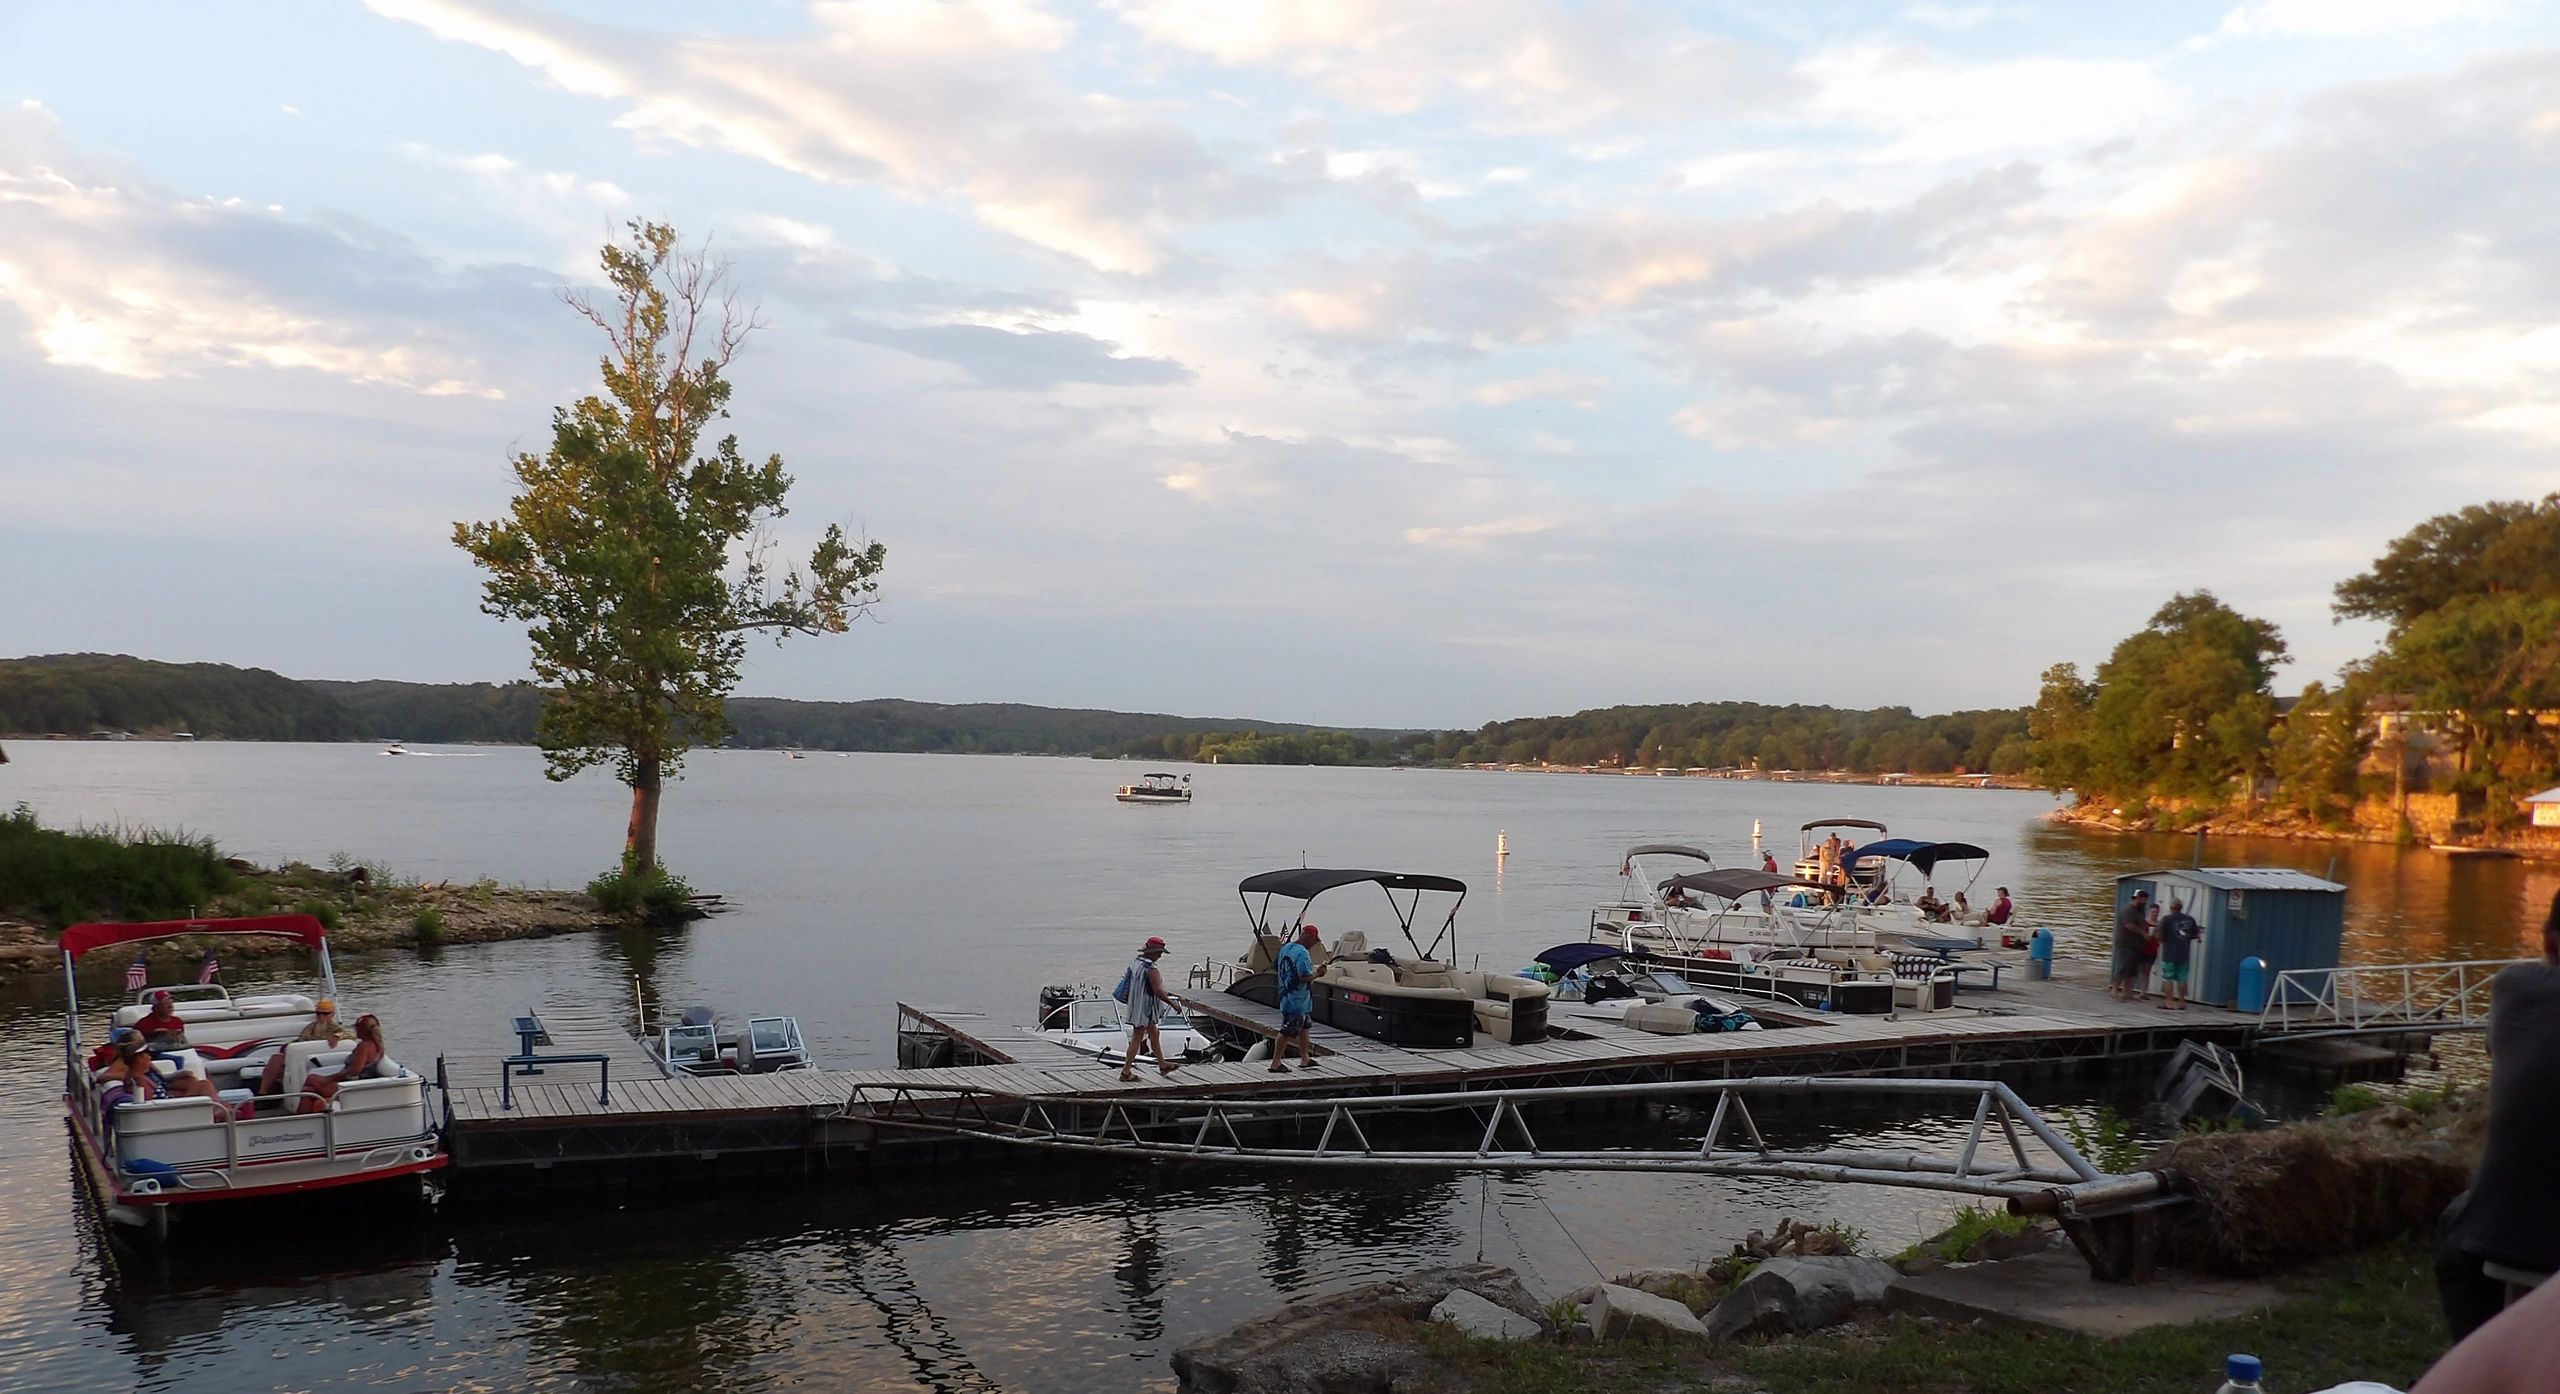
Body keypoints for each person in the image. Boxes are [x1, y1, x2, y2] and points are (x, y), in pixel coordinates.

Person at [2435, 888, 2560, 1341]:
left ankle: (2472, 1357)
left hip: (2491, 1234)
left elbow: (2499, 1052)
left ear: (2548, 941)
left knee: (2455, 1223)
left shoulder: (2515, 986)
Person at [1118, 937, 1181, 1083]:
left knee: (1154, 1033)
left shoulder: (1136, 963)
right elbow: (1158, 991)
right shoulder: (1151, 969)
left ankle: (1163, 1064)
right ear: (1152, 952)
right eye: (1159, 952)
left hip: (1136, 1005)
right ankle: (1126, 1072)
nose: (1160, 955)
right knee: (1137, 1038)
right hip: (1145, 1009)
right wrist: (1173, 1004)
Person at [259, 999, 352, 1094]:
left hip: (315, 1057)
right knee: (276, 1062)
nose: (321, 1016)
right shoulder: (311, 1027)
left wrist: (337, 1036)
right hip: (299, 1055)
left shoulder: (335, 1028)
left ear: (332, 1014)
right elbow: (301, 1039)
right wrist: (288, 1047)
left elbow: (350, 1033)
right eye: (318, 1013)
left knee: (277, 1061)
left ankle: (263, 1094)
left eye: (325, 1014)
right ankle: (265, 1094)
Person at [298, 1014, 386, 1114]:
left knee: (311, 1080)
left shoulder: (365, 1046)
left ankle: (299, 1121)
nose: (355, 1030)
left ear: (362, 1030)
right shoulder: (377, 1045)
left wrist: (329, 1078)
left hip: (352, 1087)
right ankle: (302, 1120)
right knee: (309, 1090)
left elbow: (355, 1070)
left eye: (357, 1028)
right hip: (352, 1084)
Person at [1270, 924, 1324, 1073]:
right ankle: (1275, 1062)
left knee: (1305, 1027)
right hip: (1296, 1001)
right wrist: (1318, 974)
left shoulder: (1286, 947)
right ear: (1309, 937)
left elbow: (1275, 966)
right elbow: (1304, 977)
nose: (1314, 943)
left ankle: (1304, 1058)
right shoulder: (1302, 953)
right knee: (1287, 1030)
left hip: (1289, 997)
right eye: (1314, 940)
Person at [2154, 899, 2201, 1010]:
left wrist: (2161, 940)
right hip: (2184, 953)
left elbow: (2159, 935)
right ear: (2181, 907)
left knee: (2168, 977)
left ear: (2171, 907)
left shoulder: (2166, 919)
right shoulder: (2190, 919)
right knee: (2182, 978)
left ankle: (2169, 1002)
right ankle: (2182, 1002)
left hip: (2169, 953)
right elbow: (2195, 934)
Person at [2110, 889, 2152, 1000]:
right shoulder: (2128, 910)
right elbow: (2128, 925)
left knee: (2131, 970)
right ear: (2136, 898)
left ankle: (2127, 992)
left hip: (2136, 945)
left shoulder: (2140, 910)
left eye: (2145, 900)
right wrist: (2143, 933)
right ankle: (2114, 990)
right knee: (2122, 968)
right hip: (2125, 944)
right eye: (2142, 900)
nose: (2144, 902)